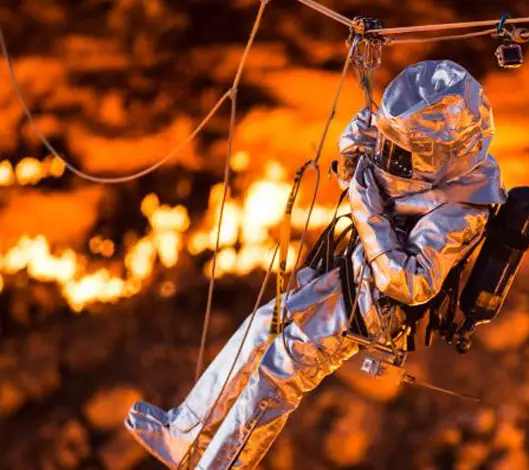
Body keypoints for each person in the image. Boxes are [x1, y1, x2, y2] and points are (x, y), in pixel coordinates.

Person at [124, 59, 507, 469]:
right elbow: (374, 180)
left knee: (277, 375)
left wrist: (367, 202)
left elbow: (411, 283)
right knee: (260, 328)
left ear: (440, 151)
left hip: (371, 310)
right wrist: (358, 152)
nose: (391, 154)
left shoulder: (462, 210)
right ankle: (183, 434)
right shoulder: (430, 169)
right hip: (351, 276)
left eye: (401, 147)